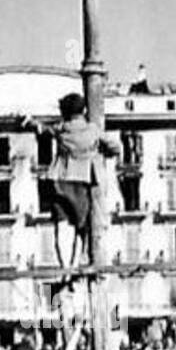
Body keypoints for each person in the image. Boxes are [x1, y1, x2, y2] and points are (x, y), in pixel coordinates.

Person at [22, 93, 121, 269]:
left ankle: (64, 267)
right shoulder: (92, 130)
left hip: (59, 181)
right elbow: (115, 147)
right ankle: (73, 267)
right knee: (80, 226)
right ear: (82, 110)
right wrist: (100, 152)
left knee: (61, 225)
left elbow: (43, 129)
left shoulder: (61, 128)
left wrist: (31, 122)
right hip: (82, 182)